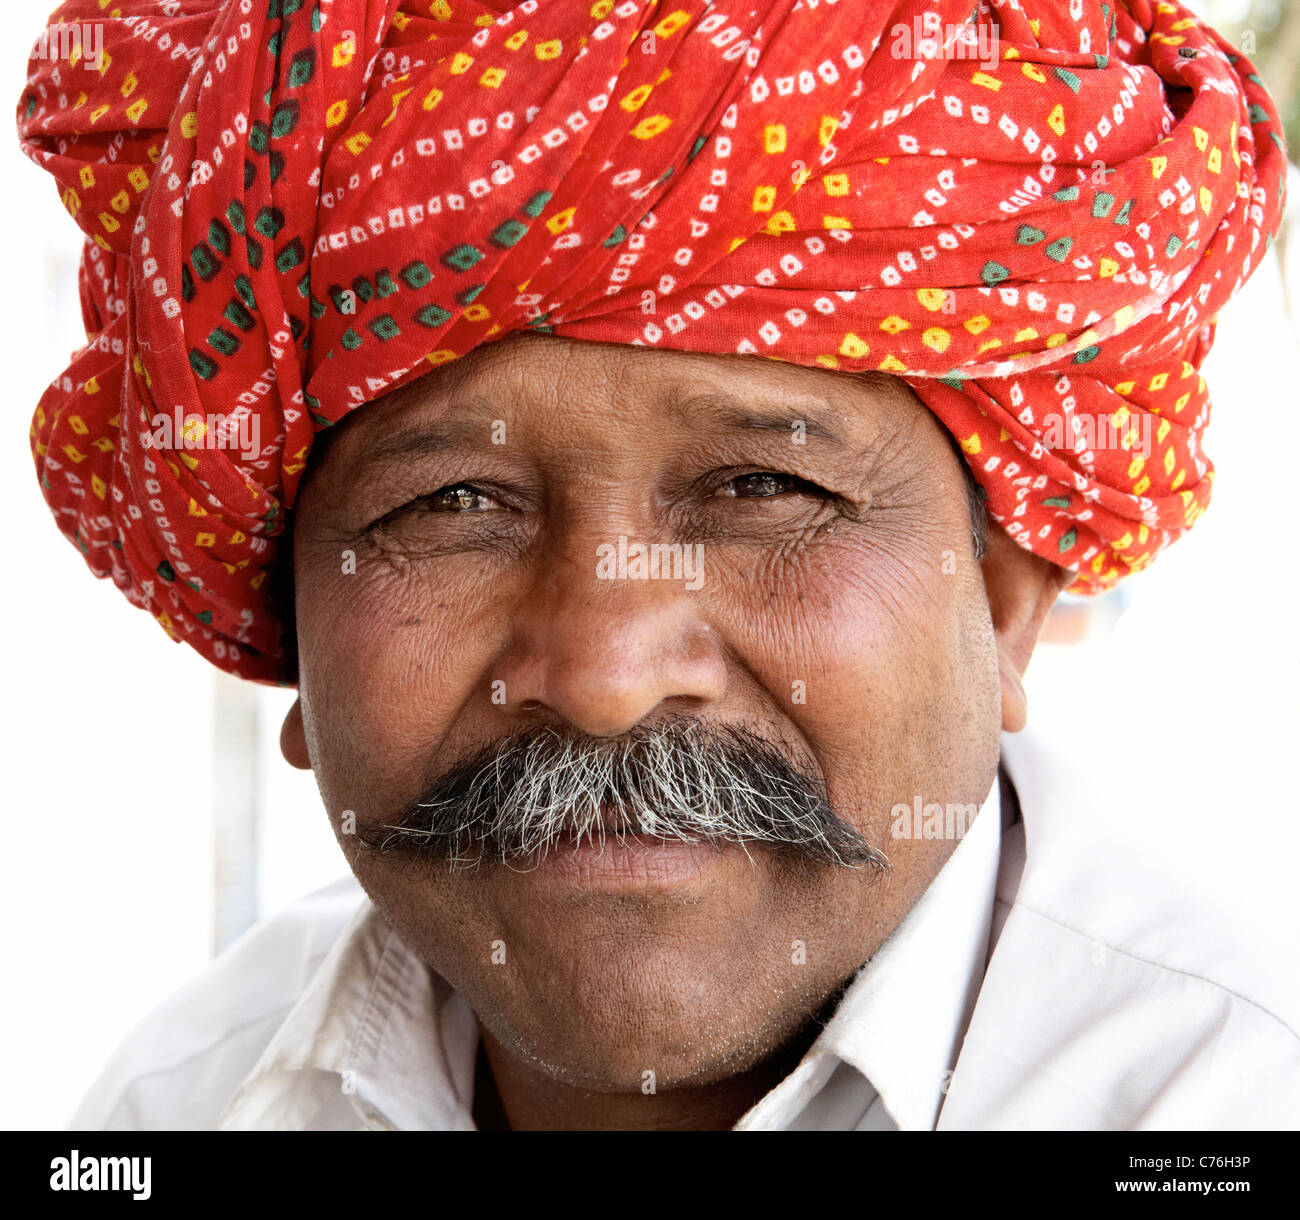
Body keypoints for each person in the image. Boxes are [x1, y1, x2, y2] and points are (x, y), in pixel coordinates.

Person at [17, 0, 1296, 1130]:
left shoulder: (1236, 1094)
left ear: (1006, 605)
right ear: (284, 631)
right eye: (452, 502)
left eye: (764, 490)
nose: (604, 675)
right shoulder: (182, 1098)